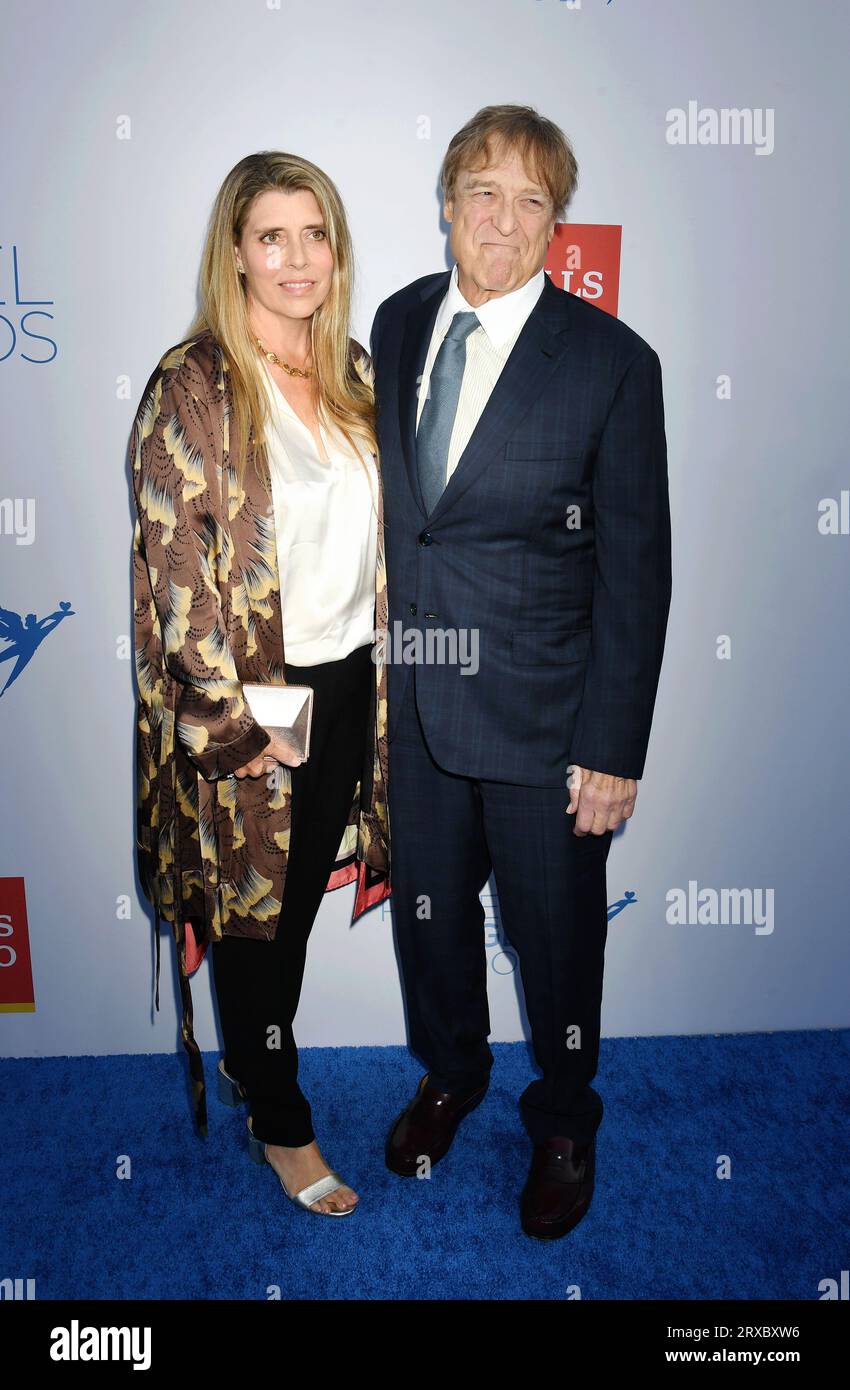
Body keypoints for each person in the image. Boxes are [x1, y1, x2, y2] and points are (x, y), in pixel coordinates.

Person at [370, 105, 672, 1239]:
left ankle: (563, 1115)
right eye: (481, 193)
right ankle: (453, 1074)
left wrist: (612, 746)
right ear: (448, 203)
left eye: (529, 200)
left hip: (549, 730)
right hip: (417, 706)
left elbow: (638, 573)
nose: (501, 219)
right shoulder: (398, 323)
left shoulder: (610, 363)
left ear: (558, 224)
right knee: (432, 927)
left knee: (555, 943)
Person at [130, 151, 390, 1216]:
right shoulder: (190, 385)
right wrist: (239, 726)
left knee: (283, 919)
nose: (296, 258)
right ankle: (281, 1122)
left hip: (350, 686)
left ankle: (254, 1062)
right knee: (253, 917)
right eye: (271, 236)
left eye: (314, 233)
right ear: (233, 252)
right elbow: (172, 576)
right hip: (250, 704)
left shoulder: (356, 372)